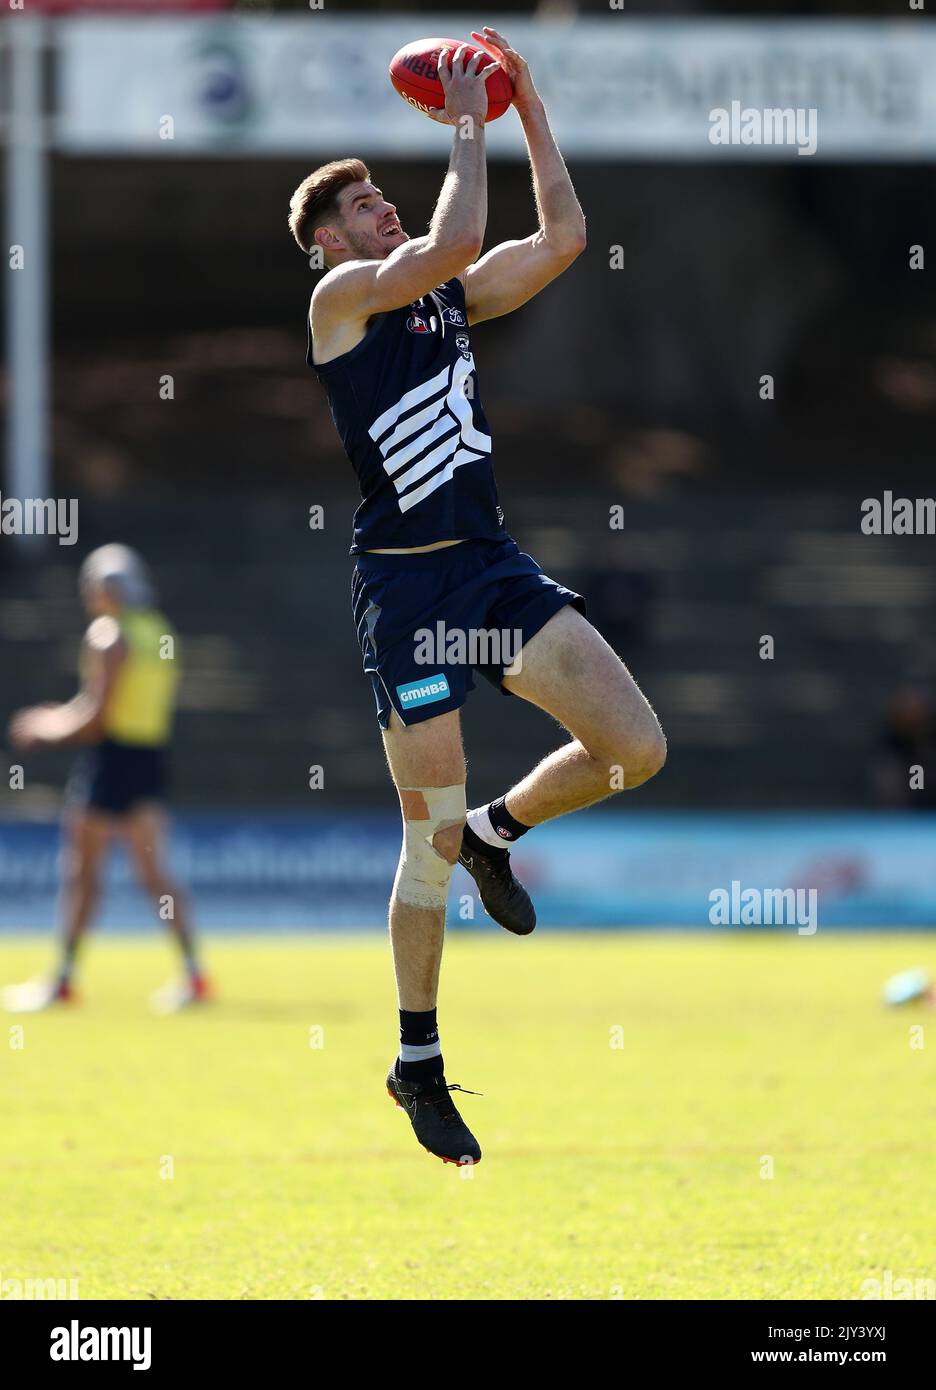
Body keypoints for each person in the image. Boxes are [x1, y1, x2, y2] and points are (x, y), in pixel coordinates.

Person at [288, 29, 665, 1165]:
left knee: (634, 750)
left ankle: (504, 831)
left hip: (490, 569)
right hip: (404, 591)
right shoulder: (343, 305)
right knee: (424, 837)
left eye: (378, 197)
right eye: (357, 207)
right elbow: (455, 233)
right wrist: (467, 116)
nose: (379, 211)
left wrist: (530, 101)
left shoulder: (445, 295)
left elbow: (564, 238)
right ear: (323, 245)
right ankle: (417, 1059)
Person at [4, 544, 208, 1014]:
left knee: (82, 873)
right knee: (155, 874)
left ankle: (63, 979)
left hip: (112, 760)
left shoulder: (109, 634)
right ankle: (195, 974)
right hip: (148, 759)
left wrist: (43, 726)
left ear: (105, 588)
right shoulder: (158, 630)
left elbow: (95, 716)